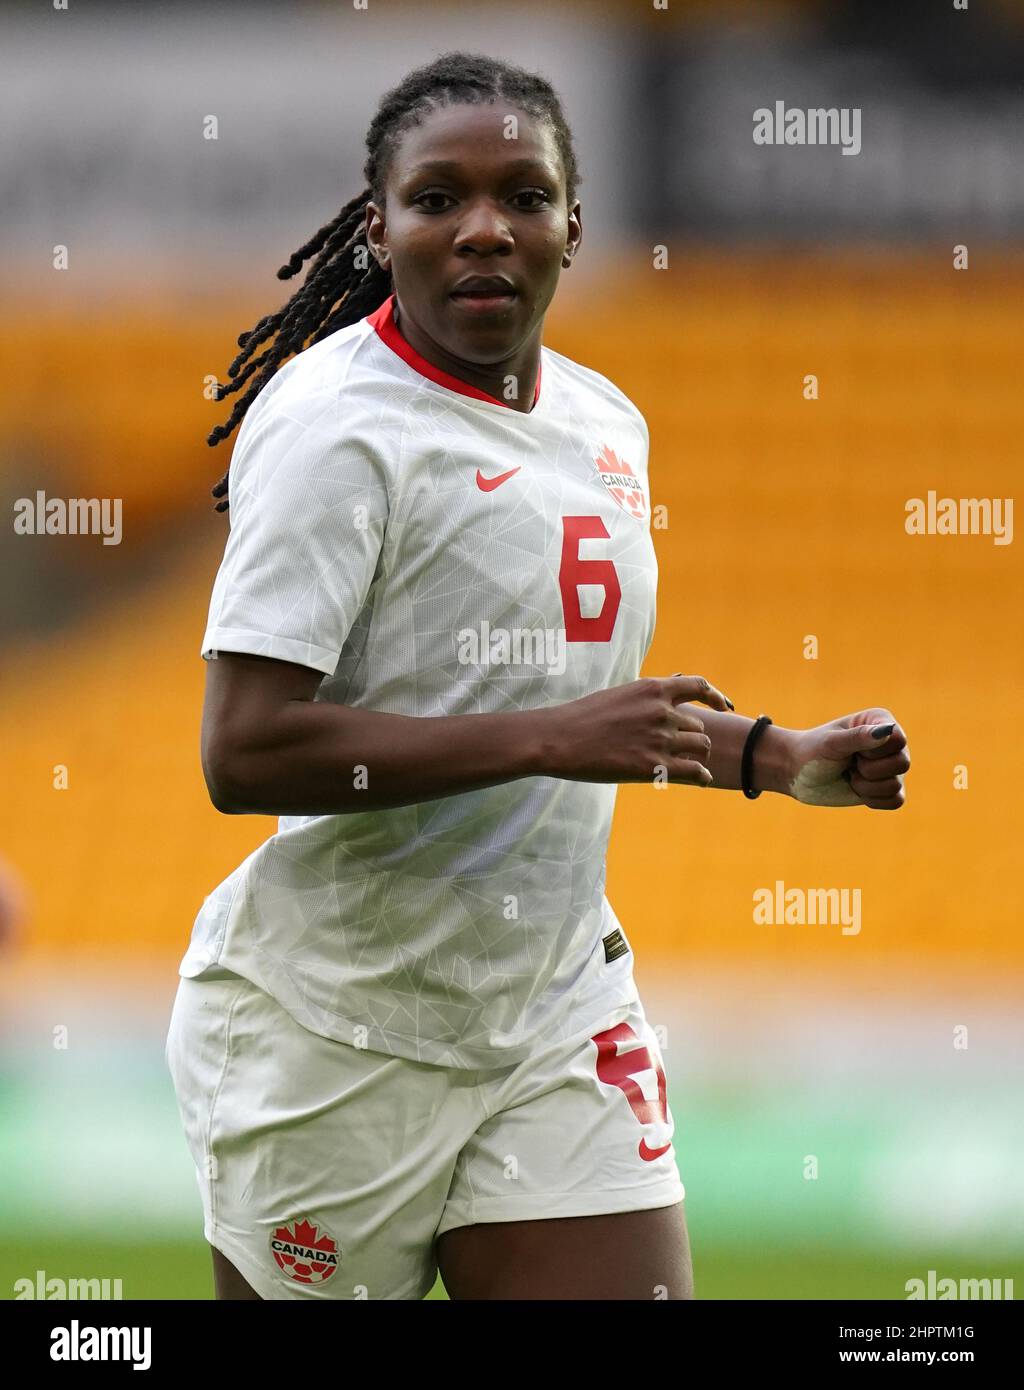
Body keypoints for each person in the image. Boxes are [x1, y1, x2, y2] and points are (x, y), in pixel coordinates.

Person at [165, 51, 910, 1301]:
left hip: (554, 1010)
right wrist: (551, 735)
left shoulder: (607, 424)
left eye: (522, 194)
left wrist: (771, 757)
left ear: (575, 221)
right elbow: (242, 753)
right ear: (378, 226)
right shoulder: (332, 424)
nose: (482, 230)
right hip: (338, 1032)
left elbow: (586, 703)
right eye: (437, 198)